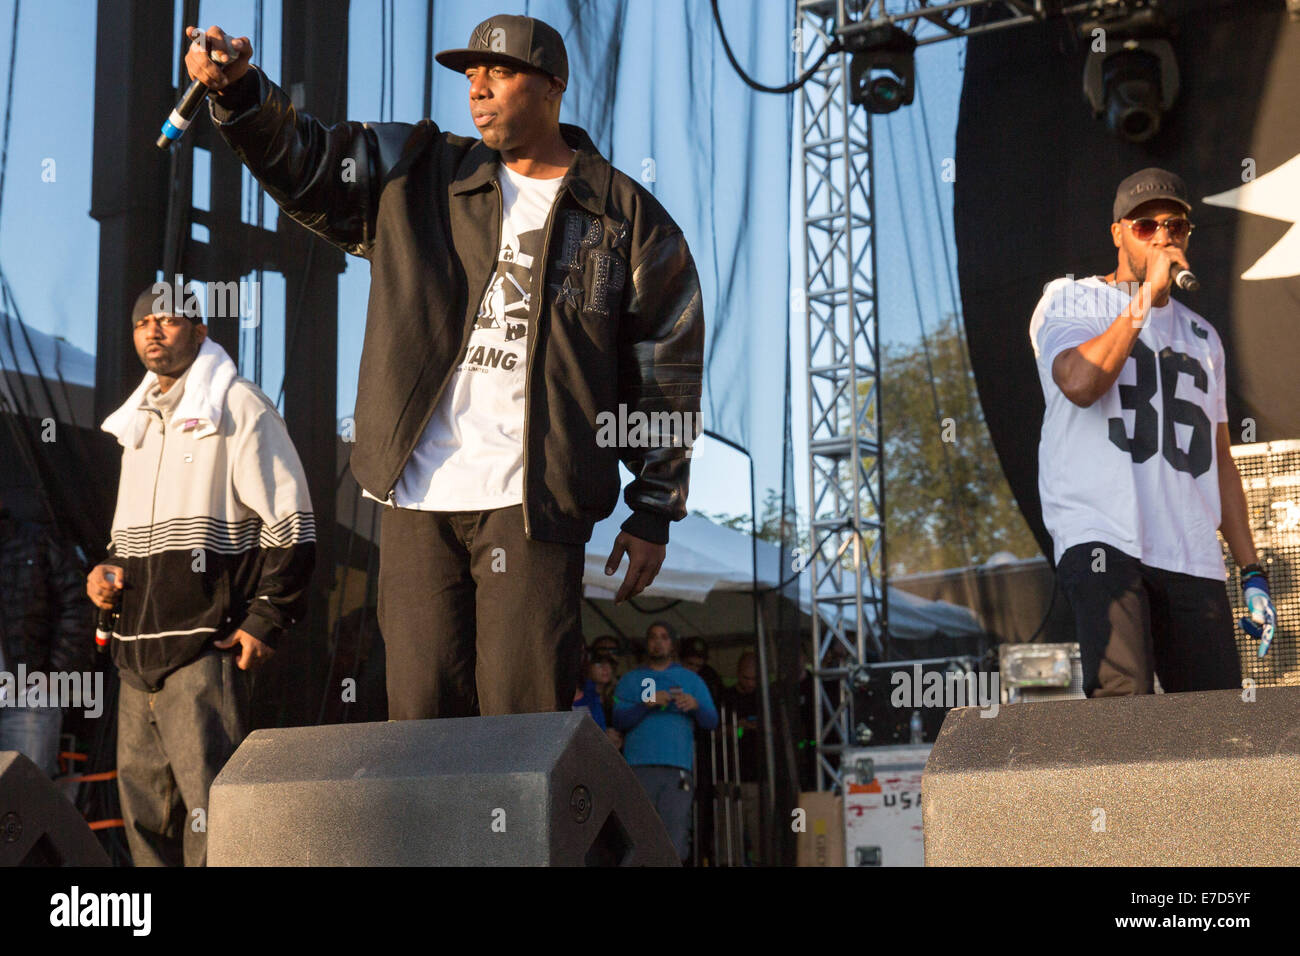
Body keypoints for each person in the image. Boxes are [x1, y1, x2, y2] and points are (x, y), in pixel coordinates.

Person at [185, 14, 704, 721]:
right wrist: (244, 95)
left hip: (535, 502)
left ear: (553, 86)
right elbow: (308, 161)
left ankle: (522, 840)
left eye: (500, 72)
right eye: (470, 76)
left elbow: (665, 364)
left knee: (522, 726)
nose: (479, 89)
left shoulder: (624, 216)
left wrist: (653, 508)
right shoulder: (417, 170)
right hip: (416, 493)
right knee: (420, 720)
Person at [86, 288, 316, 866]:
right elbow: (125, 545)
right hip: (136, 659)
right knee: (144, 828)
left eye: (167, 320)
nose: (153, 332)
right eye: (143, 322)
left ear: (201, 329)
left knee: (216, 821)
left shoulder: (239, 406)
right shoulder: (135, 426)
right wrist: (105, 575)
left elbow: (292, 523)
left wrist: (265, 618)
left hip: (203, 652)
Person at [1029, 168, 1273, 698]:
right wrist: (1144, 302)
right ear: (1118, 232)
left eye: (1175, 225)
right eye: (1146, 226)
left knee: (1216, 726)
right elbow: (1080, 382)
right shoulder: (1071, 300)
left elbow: (1221, 459)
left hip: (1189, 548)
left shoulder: (1204, 335)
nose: (1163, 236)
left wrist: (1251, 569)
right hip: (1103, 537)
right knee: (1126, 708)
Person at [0, 495, 91, 776]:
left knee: (28, 802)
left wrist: (57, 673)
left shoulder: (36, 540)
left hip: (27, 698)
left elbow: (77, 605)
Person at [612, 621, 716, 861]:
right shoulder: (631, 679)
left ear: (673, 644)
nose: (657, 642)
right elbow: (618, 720)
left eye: (664, 637)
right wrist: (645, 704)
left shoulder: (691, 680)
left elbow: (711, 721)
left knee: (674, 834)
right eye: (652, 637)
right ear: (646, 642)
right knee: (635, 833)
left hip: (676, 767)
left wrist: (695, 706)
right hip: (637, 768)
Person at [720, 650, 762, 864]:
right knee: (730, 840)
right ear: (737, 674)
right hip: (730, 776)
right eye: (746, 678)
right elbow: (713, 729)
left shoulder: (766, 697)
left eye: (755, 678)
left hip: (759, 778)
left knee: (760, 837)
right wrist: (739, 727)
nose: (751, 683)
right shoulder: (725, 697)